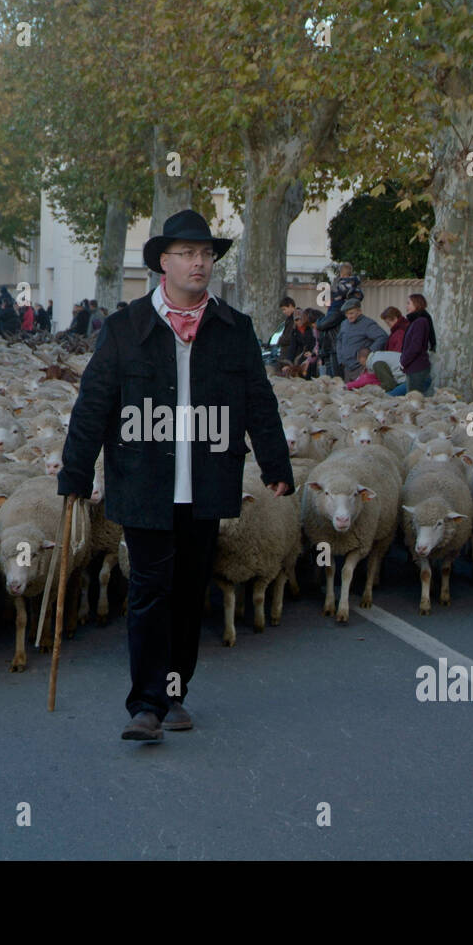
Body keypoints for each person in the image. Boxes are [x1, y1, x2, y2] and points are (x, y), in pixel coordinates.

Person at [58, 209, 294, 742]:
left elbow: (258, 399)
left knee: (190, 593)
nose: (200, 263)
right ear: (163, 262)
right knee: (148, 590)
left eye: (207, 254)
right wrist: (76, 472)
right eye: (188, 254)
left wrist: (276, 464)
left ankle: (173, 692)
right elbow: (94, 404)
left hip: (206, 483)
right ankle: (145, 706)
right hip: (143, 482)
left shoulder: (234, 330)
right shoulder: (125, 328)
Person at [389, 294, 435, 395]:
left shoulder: (420, 322)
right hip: (413, 368)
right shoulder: (416, 321)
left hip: (417, 368)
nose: (406, 306)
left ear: (417, 304)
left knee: (414, 398)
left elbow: (415, 346)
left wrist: (403, 361)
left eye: (409, 303)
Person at [334, 298, 387, 381]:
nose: (349, 316)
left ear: (359, 311)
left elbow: (382, 337)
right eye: (346, 314)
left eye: (351, 313)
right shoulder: (344, 324)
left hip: (360, 367)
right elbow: (339, 341)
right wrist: (340, 359)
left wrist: (368, 355)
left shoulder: (368, 324)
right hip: (347, 368)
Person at [280, 305, 320, 379]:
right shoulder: (294, 332)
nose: (298, 321)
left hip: (312, 355)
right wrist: (288, 362)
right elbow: (292, 347)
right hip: (301, 357)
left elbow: (315, 343)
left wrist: (312, 353)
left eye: (299, 319)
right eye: (296, 319)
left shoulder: (311, 328)